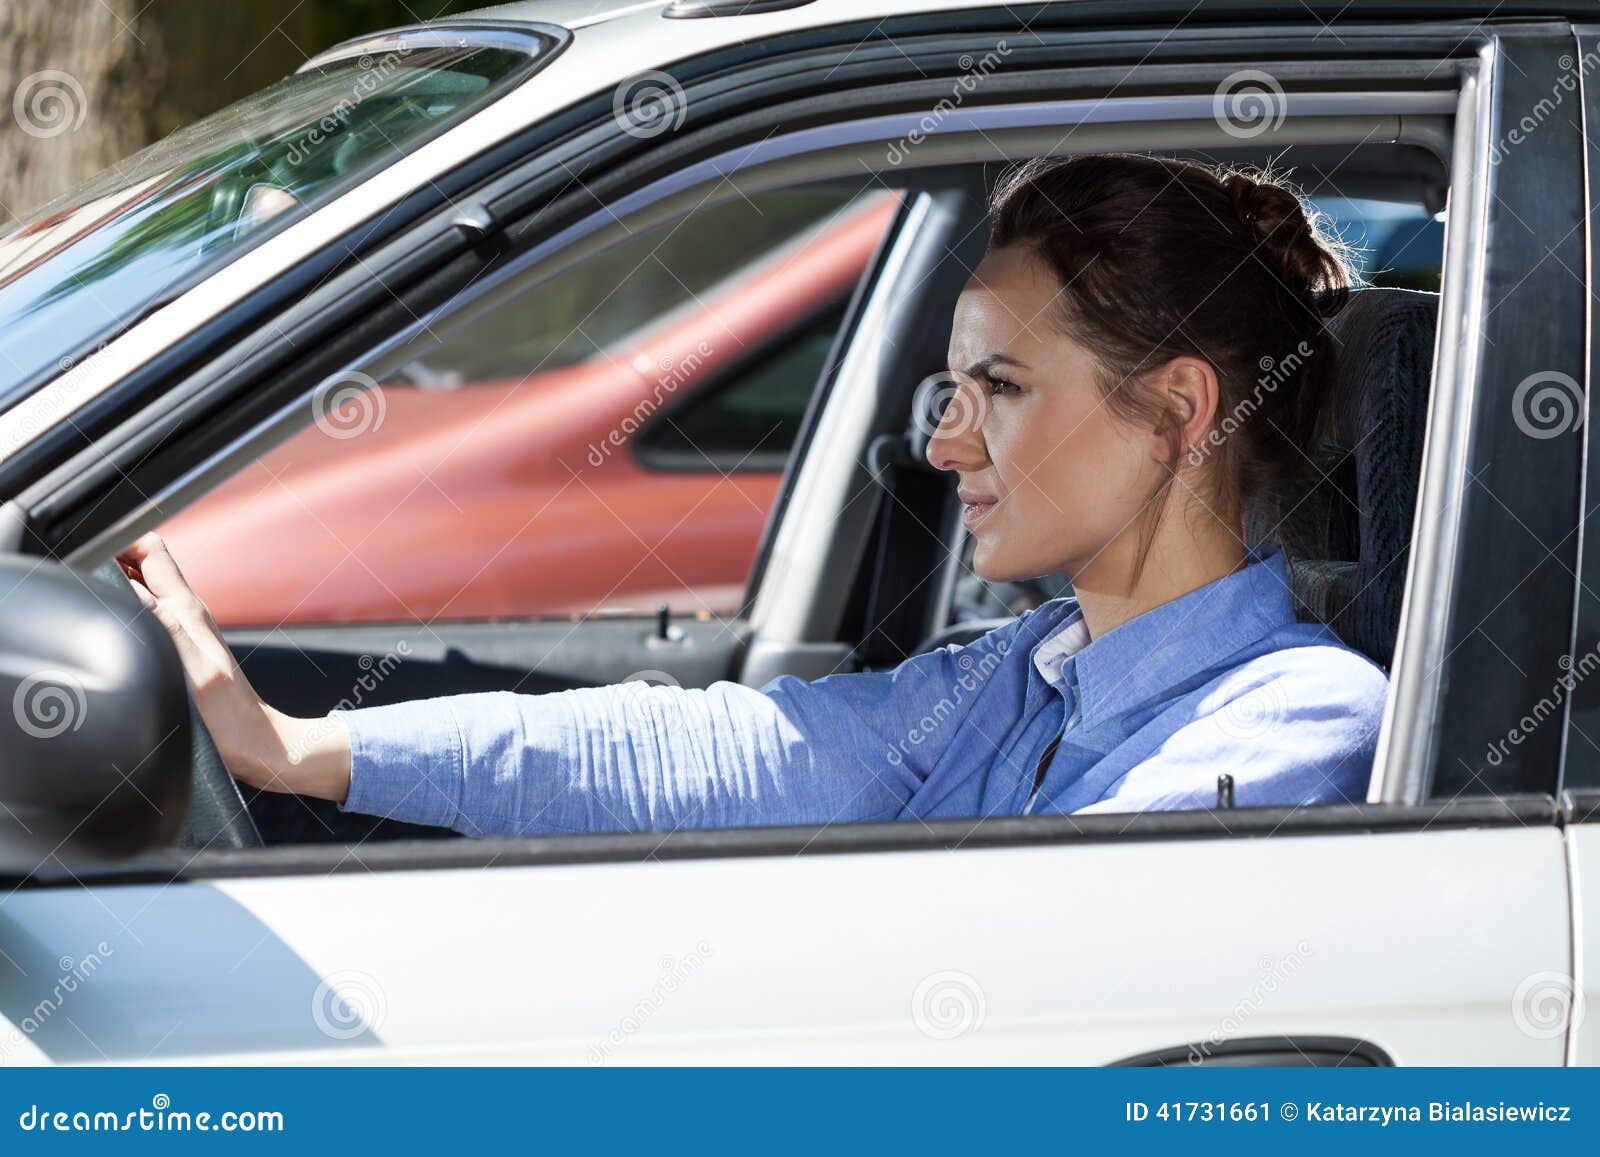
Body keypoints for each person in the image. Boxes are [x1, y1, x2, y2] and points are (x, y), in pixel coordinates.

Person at [119, 153, 1389, 838]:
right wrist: (296, 750)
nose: (944, 447)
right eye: (948, 390)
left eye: (996, 386)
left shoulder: (1291, 727)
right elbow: (700, 751)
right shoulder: (1015, 676)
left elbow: (1014, 981)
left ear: (1173, 411)